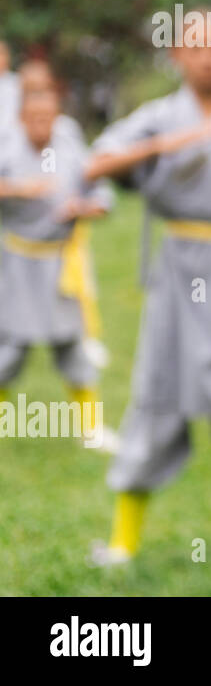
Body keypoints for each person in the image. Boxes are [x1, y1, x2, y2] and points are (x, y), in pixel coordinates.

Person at [84, 19, 211, 565]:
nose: (207, 58)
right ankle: (124, 540)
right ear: (176, 54)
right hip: (178, 275)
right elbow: (94, 164)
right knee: (157, 394)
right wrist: (168, 144)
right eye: (195, 47)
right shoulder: (158, 118)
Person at [0, 87, 114, 448]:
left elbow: (103, 196)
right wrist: (16, 189)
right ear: (21, 119)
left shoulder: (70, 152)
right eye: (33, 119)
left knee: (72, 348)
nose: (40, 126)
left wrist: (83, 208)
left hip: (60, 266)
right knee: (9, 350)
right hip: (16, 264)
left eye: (47, 119)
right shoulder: (7, 150)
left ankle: (91, 428)